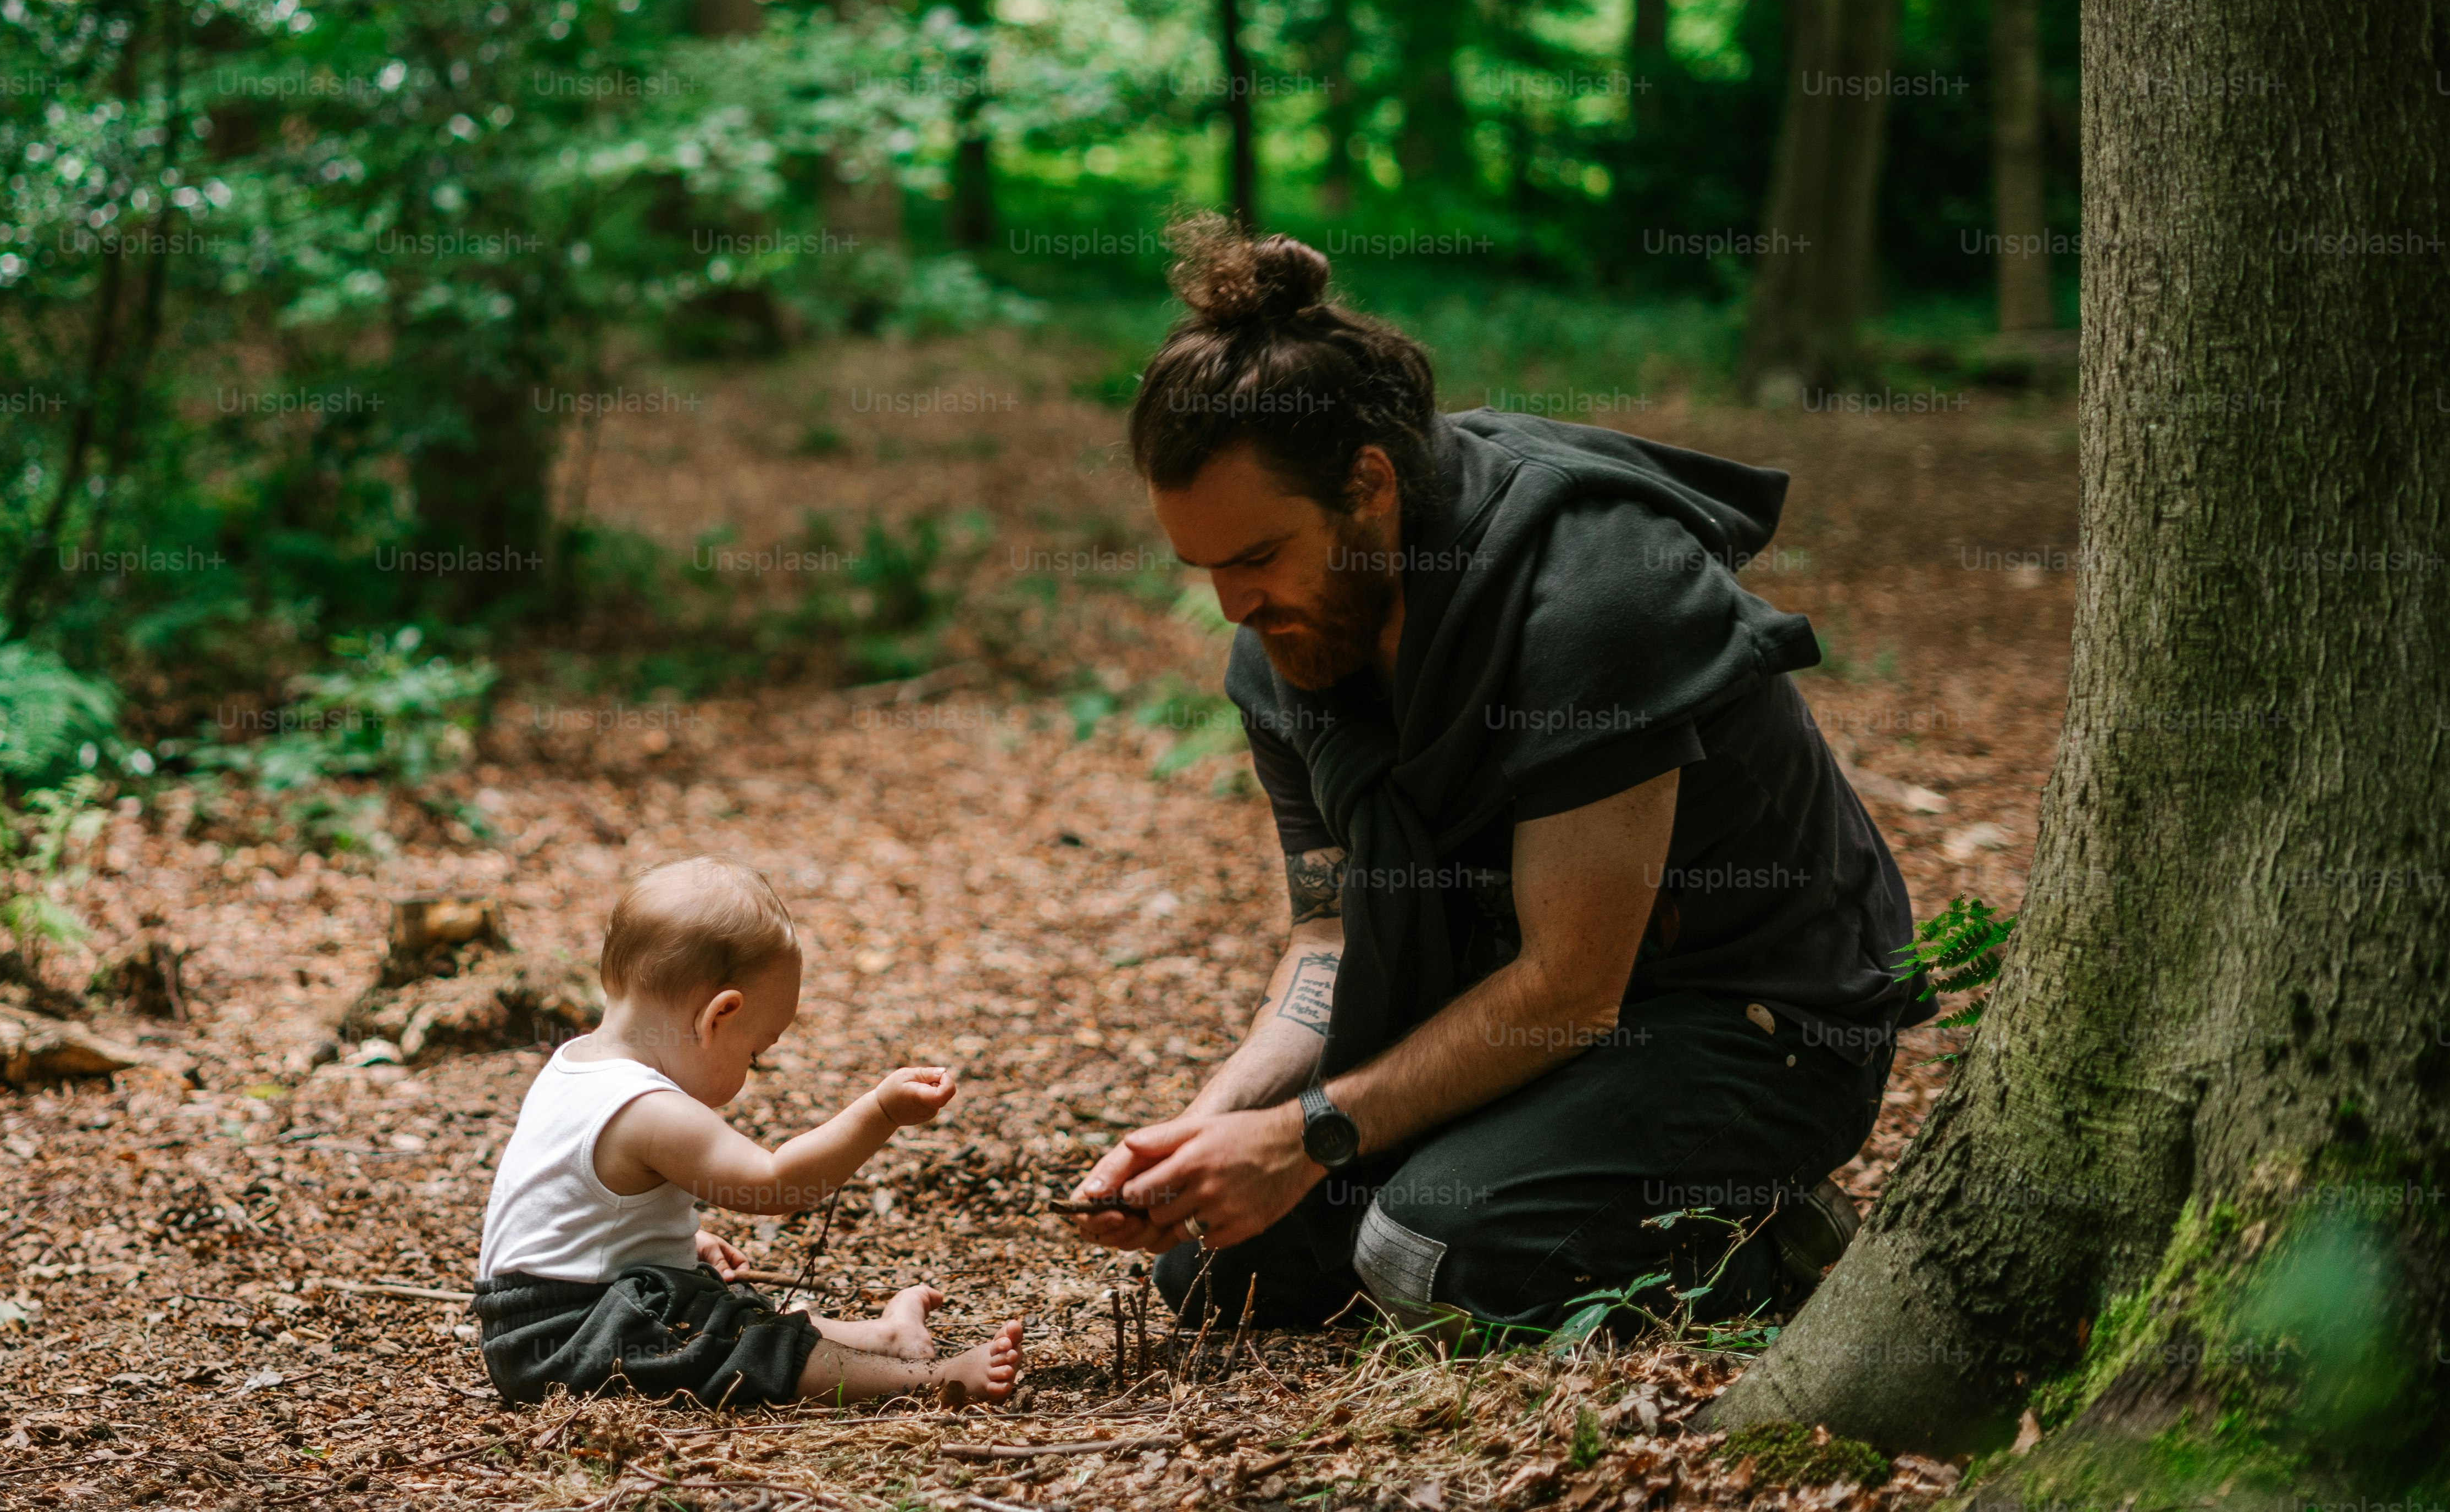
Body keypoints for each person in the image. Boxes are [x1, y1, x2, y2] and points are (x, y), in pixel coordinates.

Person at [1073, 220, 1933, 1344]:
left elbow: (1574, 984)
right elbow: (1328, 938)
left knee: (1424, 1250)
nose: (1232, 607)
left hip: (1752, 1023)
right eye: (1205, 569)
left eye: (1255, 557)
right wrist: (1208, 1128)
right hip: (1523, 1015)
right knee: (1218, 1267)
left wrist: (1309, 1134)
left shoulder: (1592, 594)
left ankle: (1772, 1233)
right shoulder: (1286, 653)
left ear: (1368, 484)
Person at [471, 856, 1024, 1407]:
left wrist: (664, 1240)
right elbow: (775, 1184)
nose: (752, 1065)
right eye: (754, 1052)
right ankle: (931, 1380)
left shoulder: (575, 1065)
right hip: (570, 1340)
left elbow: (562, 1222)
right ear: (717, 1016)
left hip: (539, 1328)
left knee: (711, 1306)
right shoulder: (648, 1108)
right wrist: (878, 1113)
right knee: (725, 1339)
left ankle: (879, 1339)